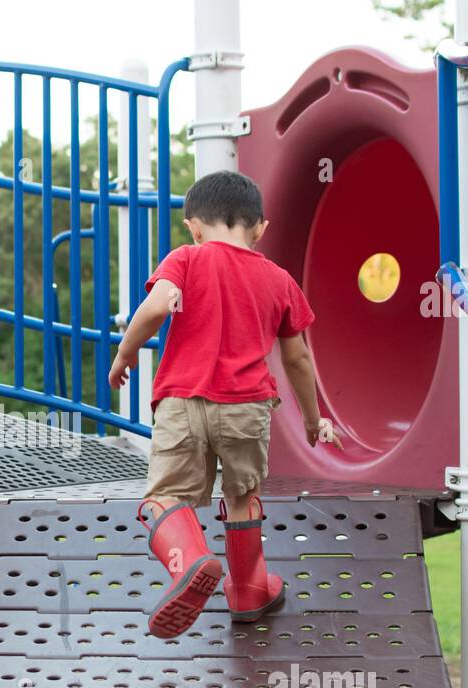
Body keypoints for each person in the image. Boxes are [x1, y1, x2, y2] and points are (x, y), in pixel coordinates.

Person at [108, 170, 341, 638]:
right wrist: (314, 420)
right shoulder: (278, 279)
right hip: (246, 407)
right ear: (260, 228)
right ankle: (250, 589)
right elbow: (297, 358)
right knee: (241, 495)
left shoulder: (186, 259)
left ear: (193, 225)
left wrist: (125, 352)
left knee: (164, 497)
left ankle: (188, 560)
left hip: (180, 401)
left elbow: (157, 306)